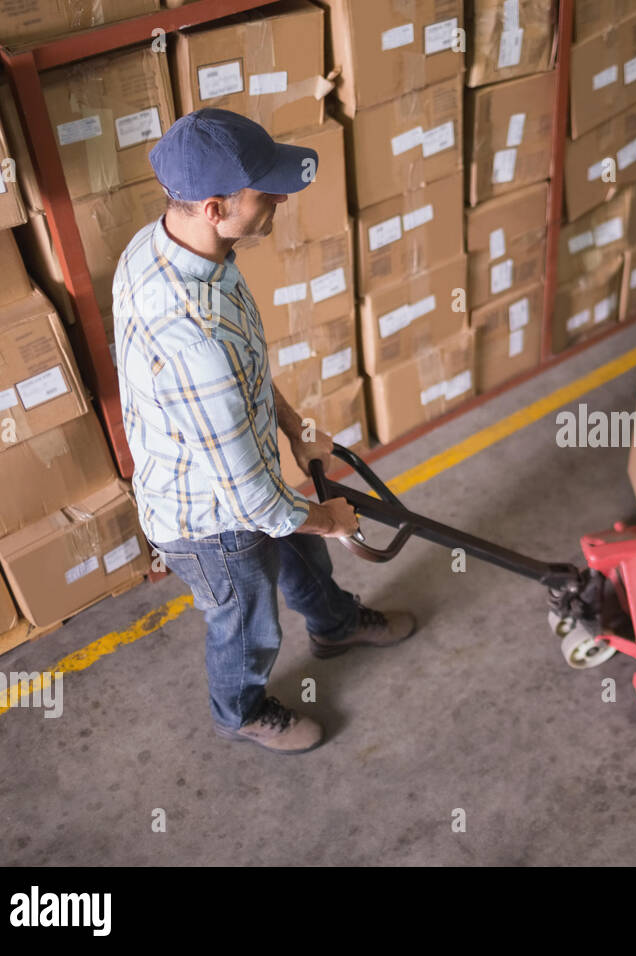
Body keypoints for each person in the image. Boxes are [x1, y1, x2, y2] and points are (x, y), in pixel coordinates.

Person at [112, 108, 415, 756]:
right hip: (207, 519)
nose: (280, 197)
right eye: (265, 191)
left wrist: (296, 428)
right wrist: (329, 519)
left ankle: (334, 625)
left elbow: (245, 369)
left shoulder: (178, 245)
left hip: (234, 472)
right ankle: (240, 710)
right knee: (246, 622)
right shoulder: (191, 333)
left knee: (301, 552)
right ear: (216, 206)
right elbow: (254, 506)